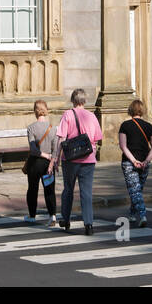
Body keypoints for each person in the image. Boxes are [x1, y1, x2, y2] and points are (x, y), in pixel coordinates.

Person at [49, 89, 104, 234]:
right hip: (88, 158)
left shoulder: (68, 115)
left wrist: (55, 158)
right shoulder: (92, 116)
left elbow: (61, 138)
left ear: (73, 100)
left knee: (68, 189)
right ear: (84, 101)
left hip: (70, 159)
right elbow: (97, 138)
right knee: (86, 193)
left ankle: (66, 219)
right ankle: (89, 224)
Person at [118, 99, 152, 228]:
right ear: (142, 111)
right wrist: (146, 161)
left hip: (129, 163)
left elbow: (123, 146)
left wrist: (133, 160)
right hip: (144, 163)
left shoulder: (125, 125)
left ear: (130, 110)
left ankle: (142, 215)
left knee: (135, 190)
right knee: (137, 189)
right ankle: (132, 213)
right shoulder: (149, 126)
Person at [23, 99, 58, 225]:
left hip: (35, 163)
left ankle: (32, 215)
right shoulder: (53, 128)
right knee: (49, 190)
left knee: (32, 189)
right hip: (48, 164)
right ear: (46, 110)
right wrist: (51, 161)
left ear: (35, 111)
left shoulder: (31, 128)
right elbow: (56, 149)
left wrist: (43, 155)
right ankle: (52, 215)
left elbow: (33, 150)